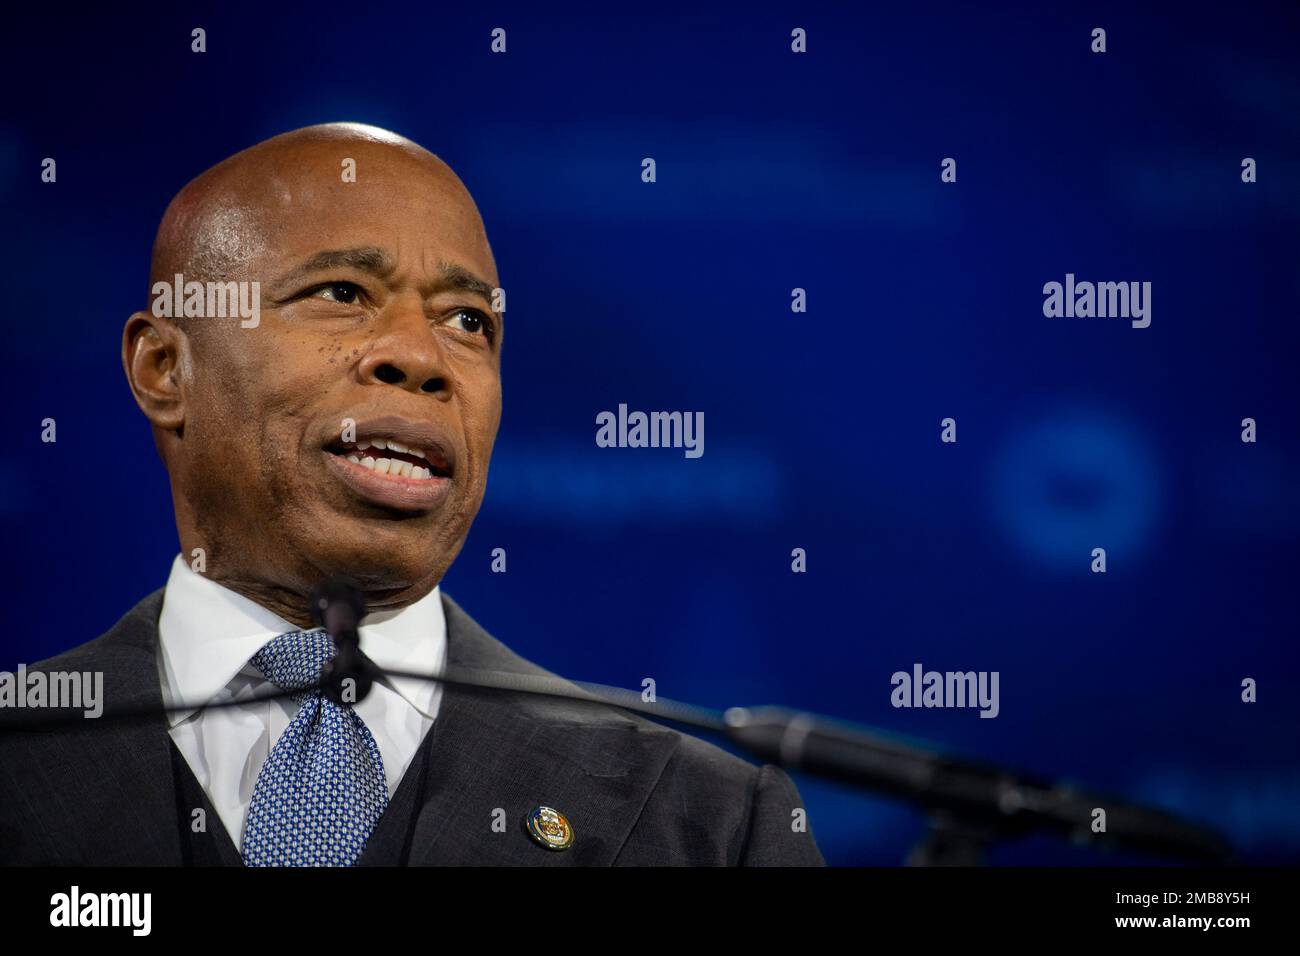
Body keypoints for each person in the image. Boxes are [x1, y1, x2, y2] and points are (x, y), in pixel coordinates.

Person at [0, 124, 824, 866]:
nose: (420, 356)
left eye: (468, 321)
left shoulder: (710, 826)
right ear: (165, 370)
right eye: (343, 294)